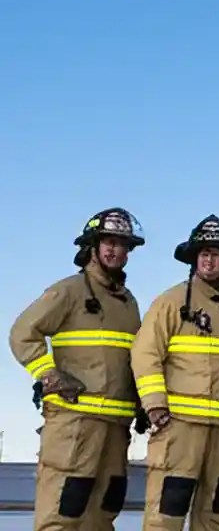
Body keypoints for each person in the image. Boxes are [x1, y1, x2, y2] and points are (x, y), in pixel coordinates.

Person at [10, 208, 145, 531]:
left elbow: (136, 358)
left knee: (104, 509)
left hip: (116, 426)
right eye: (108, 242)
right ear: (92, 247)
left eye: (122, 244)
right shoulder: (68, 291)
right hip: (74, 422)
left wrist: (142, 400)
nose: (115, 250)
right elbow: (22, 333)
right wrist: (49, 374)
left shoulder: (128, 302)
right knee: (63, 510)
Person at [132, 214, 219, 531]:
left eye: (217, 253)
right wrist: (154, 403)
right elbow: (145, 353)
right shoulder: (171, 302)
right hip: (178, 428)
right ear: (195, 258)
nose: (210, 260)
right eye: (204, 253)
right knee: (165, 517)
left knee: (217, 515)